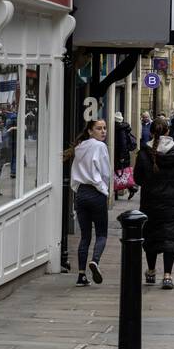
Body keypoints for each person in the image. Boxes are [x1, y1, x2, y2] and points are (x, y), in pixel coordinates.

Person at [133, 118, 174, 290]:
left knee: (151, 236)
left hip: (150, 202)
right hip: (173, 203)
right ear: (168, 132)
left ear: (151, 132)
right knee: (170, 237)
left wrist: (150, 186)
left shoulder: (144, 153)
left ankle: (151, 271)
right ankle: (167, 275)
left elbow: (138, 178)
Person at [66, 119, 112, 287]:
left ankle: (81, 275)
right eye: (99, 128)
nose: (103, 131)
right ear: (90, 131)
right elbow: (106, 173)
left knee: (85, 236)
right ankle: (95, 261)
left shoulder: (80, 147)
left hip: (81, 194)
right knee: (101, 234)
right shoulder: (100, 146)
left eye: (105, 128)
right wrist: (105, 190)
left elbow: (74, 172)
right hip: (96, 193)